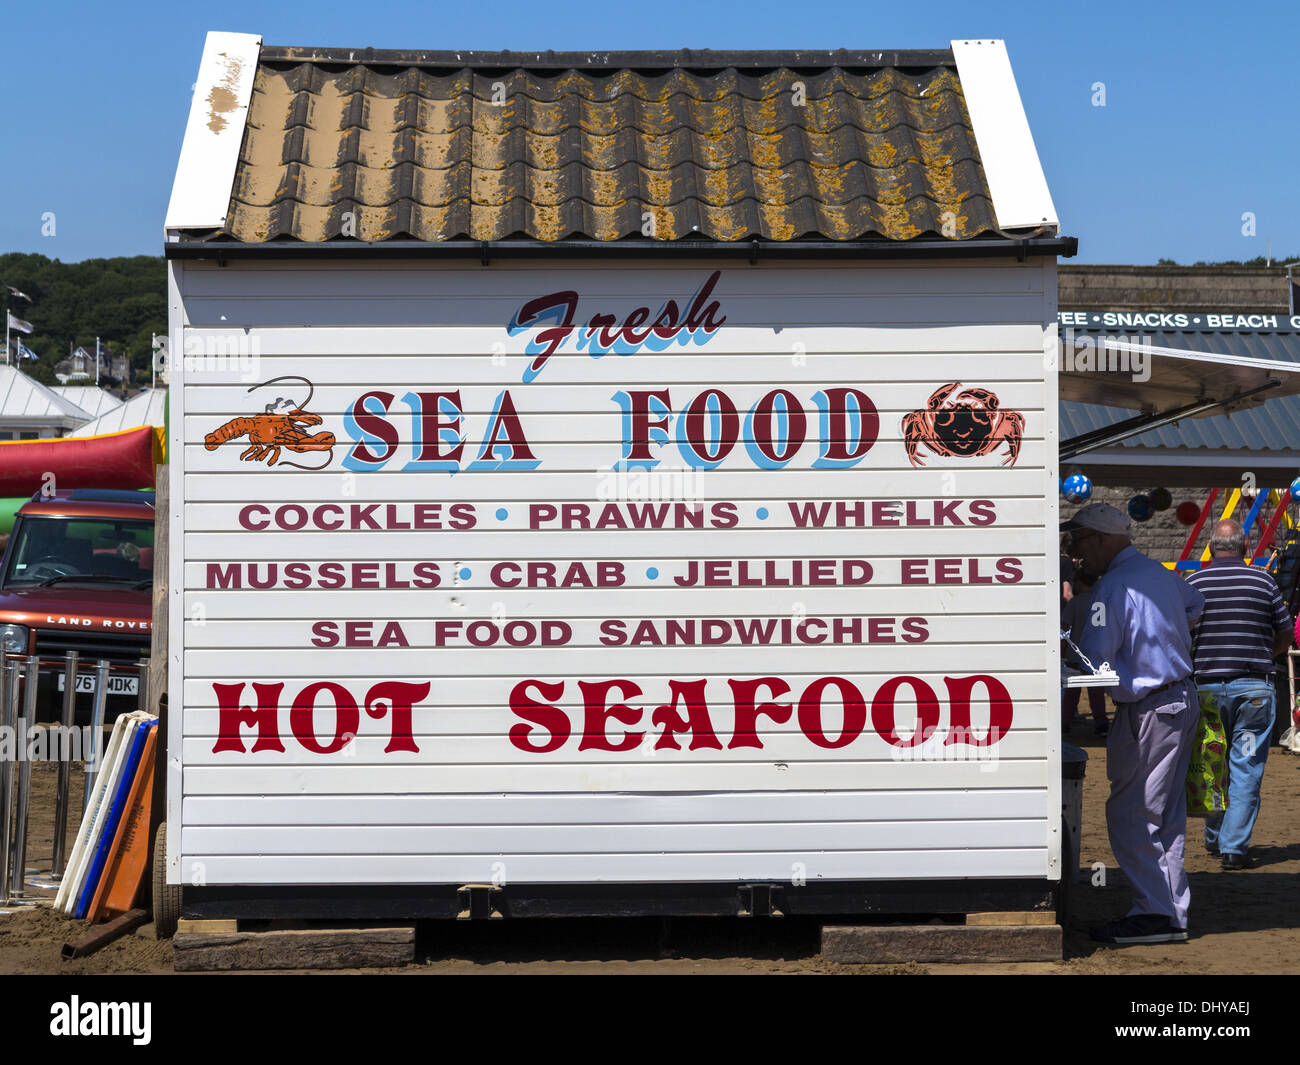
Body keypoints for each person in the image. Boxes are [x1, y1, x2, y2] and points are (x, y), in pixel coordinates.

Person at [1063, 502, 1205, 945]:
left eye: (1079, 540)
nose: (1074, 553)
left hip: (1149, 706)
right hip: (1176, 697)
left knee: (1132, 814)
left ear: (1102, 539)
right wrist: (1163, 642)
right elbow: (1195, 606)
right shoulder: (1160, 574)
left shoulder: (1114, 586)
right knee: (1163, 816)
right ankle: (1167, 912)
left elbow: (1092, 658)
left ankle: (1156, 912)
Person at [1184, 519, 1291, 869]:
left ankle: (1216, 839)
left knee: (1213, 765)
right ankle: (1233, 847)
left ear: (1212, 548)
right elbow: (1285, 633)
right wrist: (1264, 655)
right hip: (1254, 689)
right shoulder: (1263, 580)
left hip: (1207, 689)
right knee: (1246, 768)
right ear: (1244, 547)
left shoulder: (1194, 583)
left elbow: (1182, 636)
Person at [1061, 569, 1109, 735]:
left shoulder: (1076, 602)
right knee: (1096, 692)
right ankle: (1101, 722)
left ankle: (1065, 721)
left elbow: (1064, 625)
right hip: (1096, 654)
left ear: (1079, 584)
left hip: (1077, 654)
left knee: (1072, 691)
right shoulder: (1101, 602)